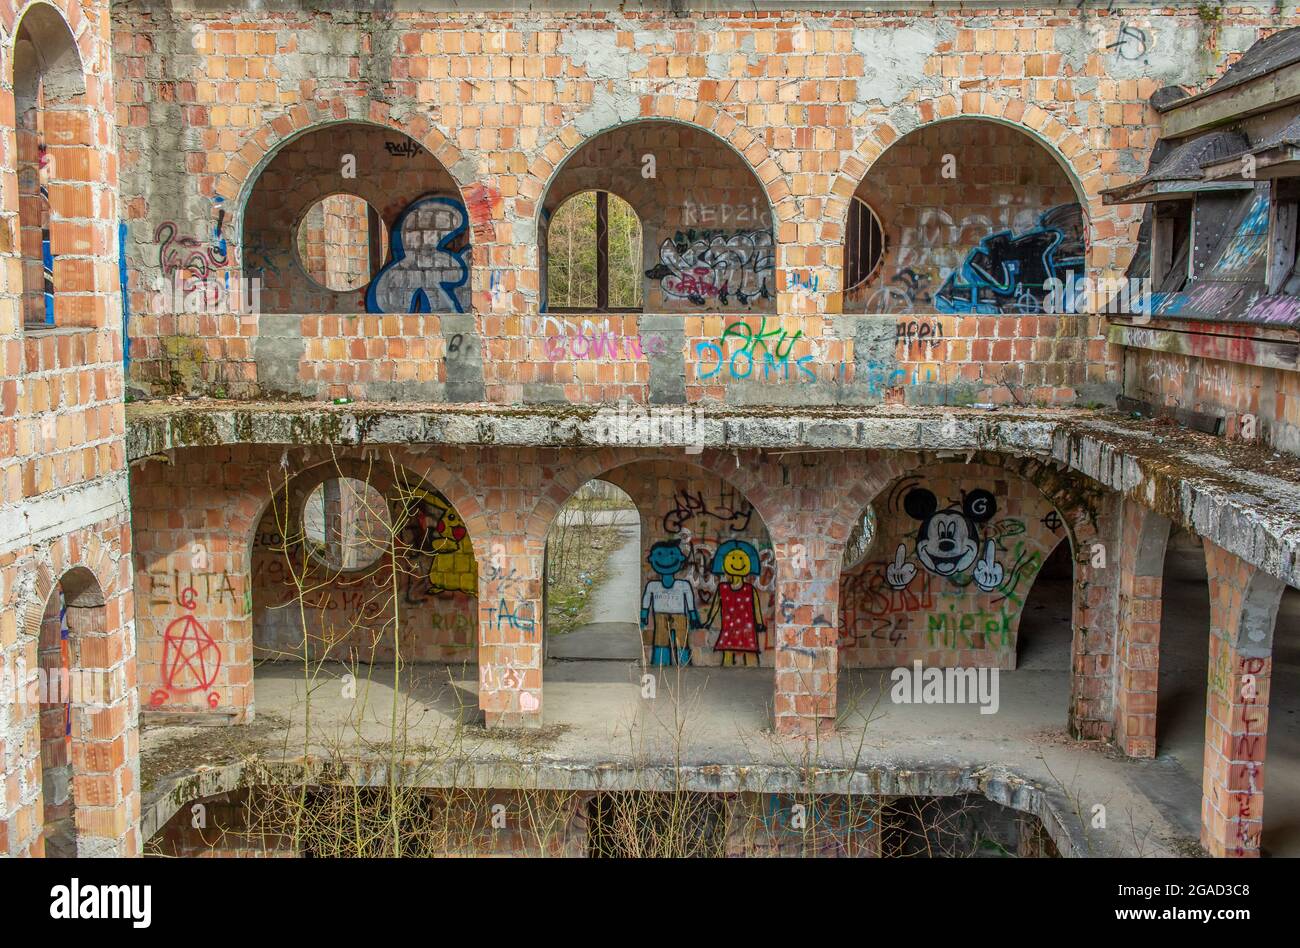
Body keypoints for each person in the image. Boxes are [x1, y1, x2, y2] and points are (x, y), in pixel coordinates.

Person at [705, 539, 765, 666]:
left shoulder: (750, 589)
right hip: (729, 628)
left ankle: (753, 669)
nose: (737, 563)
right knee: (727, 654)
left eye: (741, 559)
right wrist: (709, 621)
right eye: (733, 559)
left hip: (747, 629)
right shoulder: (722, 588)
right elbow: (715, 606)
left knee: (750, 654)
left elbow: (756, 607)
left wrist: (759, 623)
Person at [640, 541, 700, 666]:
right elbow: (646, 600)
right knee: (661, 642)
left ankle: (682, 662)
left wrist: (693, 616)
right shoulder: (653, 586)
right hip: (660, 616)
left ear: (680, 558)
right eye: (660, 555)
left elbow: (689, 601)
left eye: (672, 554)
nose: (666, 559)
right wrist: (643, 615)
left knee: (681, 642)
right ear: (652, 559)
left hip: (680, 616)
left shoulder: (683, 585)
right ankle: (661, 663)